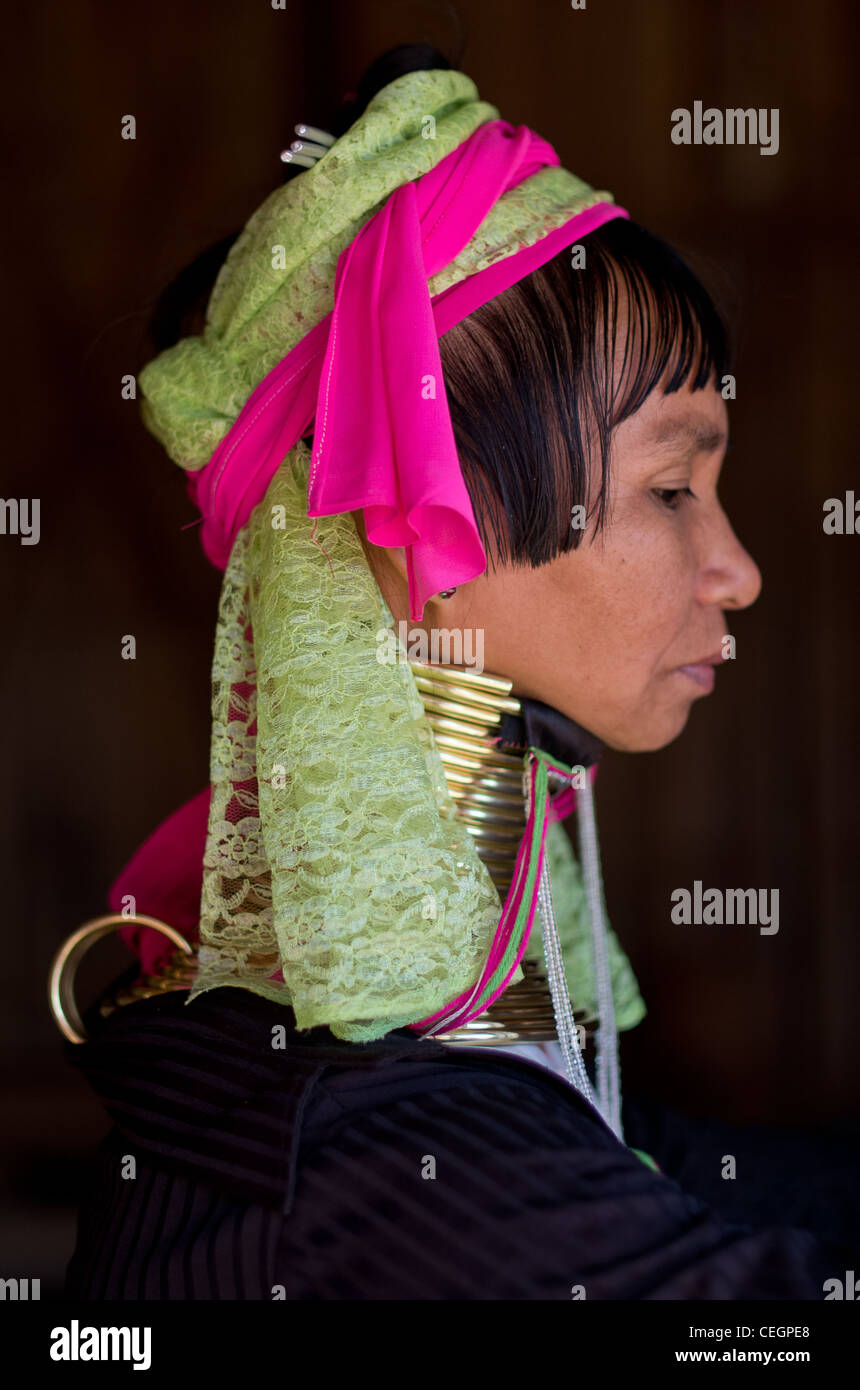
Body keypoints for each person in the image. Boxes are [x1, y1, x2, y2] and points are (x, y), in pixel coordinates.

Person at [57, 43, 860, 1300]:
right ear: (408, 522)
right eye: (668, 488)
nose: (737, 571)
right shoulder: (365, 1153)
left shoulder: (413, 1086)